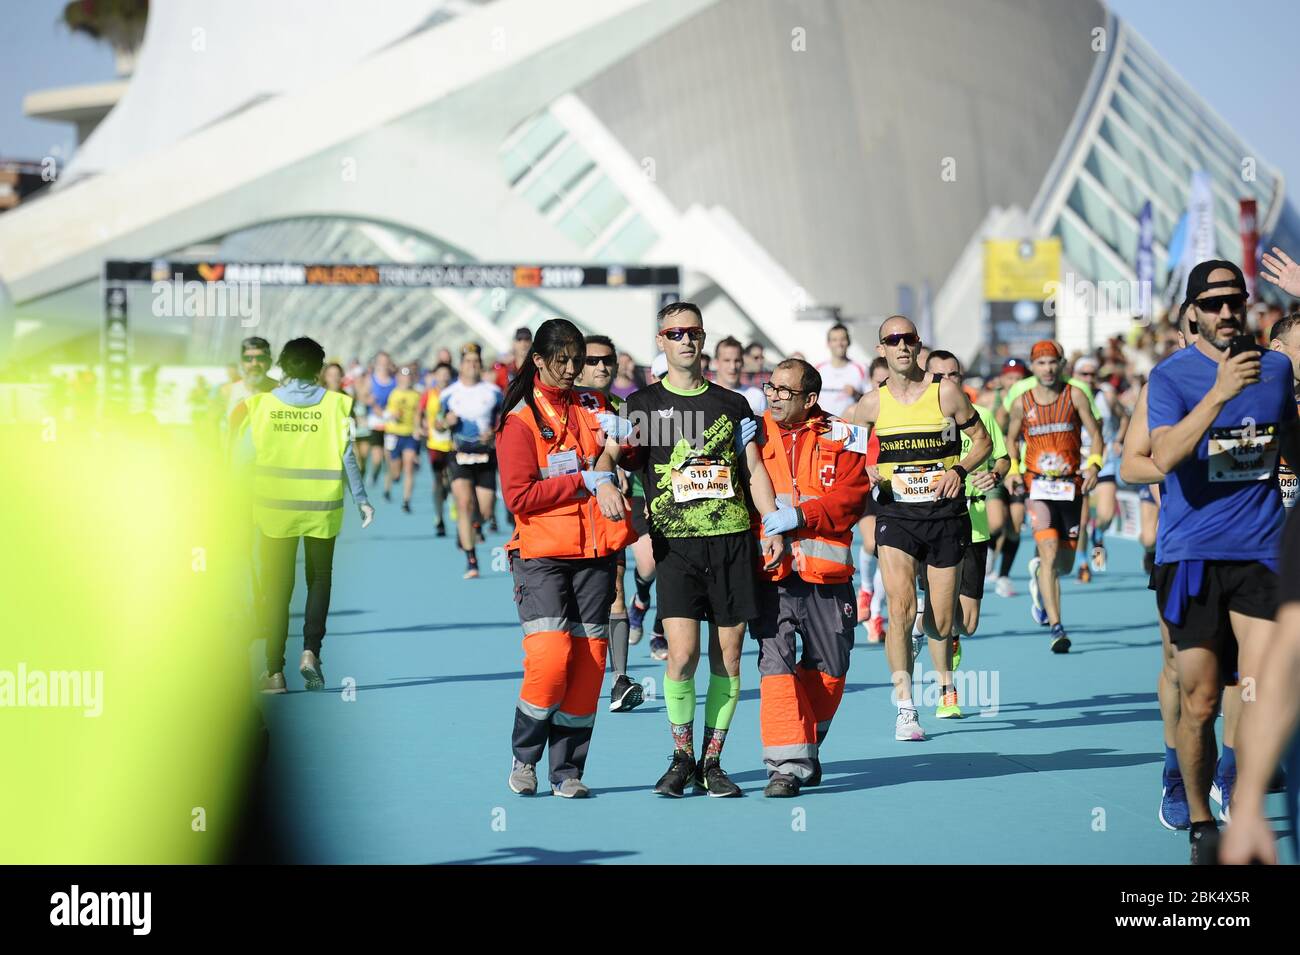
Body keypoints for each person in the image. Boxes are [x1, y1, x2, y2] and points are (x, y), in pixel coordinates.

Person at [1147, 259, 1300, 864]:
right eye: (1212, 304)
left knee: (1262, 687)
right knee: (1201, 700)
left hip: (1263, 552)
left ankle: (1245, 794)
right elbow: (1161, 455)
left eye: (1235, 300)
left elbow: (1290, 440)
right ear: (1193, 313)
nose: (1226, 312)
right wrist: (1218, 395)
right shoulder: (1172, 376)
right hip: (1192, 555)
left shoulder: (1279, 367)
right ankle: (1199, 817)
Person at [614, 301, 783, 796]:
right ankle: (681, 756)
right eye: (675, 332)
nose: (686, 340)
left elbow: (753, 469)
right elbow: (613, 457)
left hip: (731, 540)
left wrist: (771, 526)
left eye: (694, 332)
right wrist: (607, 482)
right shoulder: (640, 404)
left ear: (703, 339)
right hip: (677, 545)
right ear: (662, 341)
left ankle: (713, 762)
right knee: (681, 656)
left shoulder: (732, 405)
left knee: (727, 657)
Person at [497, 319, 634, 798]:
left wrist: (624, 442)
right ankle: (525, 757)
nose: (574, 368)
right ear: (538, 360)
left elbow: (624, 452)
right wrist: (584, 479)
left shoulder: (593, 407)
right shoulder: (519, 421)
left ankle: (568, 771)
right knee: (551, 660)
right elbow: (519, 497)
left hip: (596, 554)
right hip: (542, 557)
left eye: (580, 359)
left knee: (589, 663)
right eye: (564, 360)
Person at [844, 316, 991, 736]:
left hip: (945, 515)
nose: (902, 346)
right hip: (897, 516)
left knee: (943, 622)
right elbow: (850, 455)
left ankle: (927, 643)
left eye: (908, 339)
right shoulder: (871, 404)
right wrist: (867, 470)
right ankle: (906, 708)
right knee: (900, 608)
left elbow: (982, 441)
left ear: (919, 344)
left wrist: (960, 471)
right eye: (893, 340)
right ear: (881, 349)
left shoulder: (945, 392)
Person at [752, 359, 869, 796]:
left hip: (827, 574)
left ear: (811, 398)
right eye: (772, 387)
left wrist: (800, 515)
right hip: (772, 573)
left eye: (786, 390)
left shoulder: (846, 435)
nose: (776, 396)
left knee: (832, 669)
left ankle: (807, 743)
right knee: (775, 666)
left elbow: (852, 498)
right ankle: (785, 766)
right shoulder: (753, 432)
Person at [236, 337, 374, 694]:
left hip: (273, 509)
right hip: (322, 507)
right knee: (320, 579)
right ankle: (311, 652)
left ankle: (274, 671)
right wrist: (362, 500)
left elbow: (240, 461)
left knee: (277, 589)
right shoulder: (337, 405)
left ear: (282, 366)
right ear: (318, 369)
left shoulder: (261, 407)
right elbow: (348, 459)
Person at [1005, 340, 1102, 652]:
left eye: (1052, 362)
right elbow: (1010, 439)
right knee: (1047, 551)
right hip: (1038, 487)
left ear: (1062, 364)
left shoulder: (1075, 395)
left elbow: (1096, 435)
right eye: (1041, 363)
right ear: (1033, 367)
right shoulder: (1022, 401)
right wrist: (1013, 471)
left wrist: (1094, 465)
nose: (1047, 369)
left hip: (1070, 486)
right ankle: (1057, 627)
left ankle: (1039, 575)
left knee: (1065, 564)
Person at [922, 351, 1008, 665]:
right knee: (935, 608)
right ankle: (946, 687)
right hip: (934, 521)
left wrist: (996, 474)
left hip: (975, 522)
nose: (948, 381)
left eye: (954, 375)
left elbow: (1003, 457)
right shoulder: (921, 417)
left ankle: (949, 633)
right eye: (940, 375)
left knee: (968, 624)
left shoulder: (981, 415)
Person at [575, 334, 643, 713]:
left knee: (616, 584)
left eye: (608, 361)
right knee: (576, 598)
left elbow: (643, 455)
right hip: (568, 512)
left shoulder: (626, 407)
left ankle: (619, 678)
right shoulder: (563, 404)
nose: (602, 367)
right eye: (593, 361)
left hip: (612, 511)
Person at [438, 344, 504, 578]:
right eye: (468, 361)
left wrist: (494, 433)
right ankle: (471, 560)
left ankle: (473, 528)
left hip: (485, 456)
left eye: (476, 361)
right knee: (464, 504)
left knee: (485, 512)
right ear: (461, 364)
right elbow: (437, 424)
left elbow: (504, 422)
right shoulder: (448, 393)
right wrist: (446, 421)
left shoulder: (493, 392)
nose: (472, 365)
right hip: (459, 455)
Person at [1071, 355, 1129, 581]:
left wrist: (1119, 440)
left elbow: (1124, 418)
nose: (1088, 378)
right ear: (1074, 375)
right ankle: (1083, 563)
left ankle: (1099, 533)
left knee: (1105, 515)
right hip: (1079, 465)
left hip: (1104, 461)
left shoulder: (1107, 397)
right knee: (1082, 520)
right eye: (1083, 374)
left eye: (1092, 374)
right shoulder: (1069, 397)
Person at [989, 357, 1030, 597]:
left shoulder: (1031, 400)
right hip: (995, 468)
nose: (1014, 382)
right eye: (1010, 377)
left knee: (1015, 525)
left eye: (1019, 378)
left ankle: (1004, 576)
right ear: (1002, 378)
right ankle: (989, 550)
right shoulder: (992, 400)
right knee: (995, 522)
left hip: (1020, 469)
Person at [855, 358, 889, 640]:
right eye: (878, 381)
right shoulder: (857, 411)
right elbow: (845, 449)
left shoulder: (902, 410)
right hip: (865, 486)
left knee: (888, 553)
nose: (882, 386)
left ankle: (876, 614)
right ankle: (865, 588)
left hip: (894, 487)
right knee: (872, 543)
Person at [416, 362, 455, 536]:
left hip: (453, 443)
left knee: (452, 479)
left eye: (446, 374)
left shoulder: (456, 392)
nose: (443, 377)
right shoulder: (429, 394)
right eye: (440, 374)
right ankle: (439, 518)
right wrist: (418, 427)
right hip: (435, 444)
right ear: (435, 376)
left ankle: (452, 498)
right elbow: (419, 412)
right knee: (438, 480)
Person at [220, 337, 279, 445]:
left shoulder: (281, 392)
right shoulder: (228, 391)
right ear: (242, 363)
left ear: (269, 362)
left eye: (260, 358)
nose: (254, 364)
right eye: (248, 359)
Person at [382, 365, 421, 512]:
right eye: (403, 376)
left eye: (408, 376)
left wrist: (418, 428)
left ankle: (406, 501)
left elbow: (419, 413)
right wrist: (392, 415)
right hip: (394, 434)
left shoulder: (416, 395)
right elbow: (387, 411)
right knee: (395, 470)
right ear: (398, 378)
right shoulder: (393, 393)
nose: (406, 379)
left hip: (410, 434)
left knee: (409, 467)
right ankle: (391, 482)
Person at [815, 323, 868, 419]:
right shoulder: (818, 369)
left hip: (849, 427)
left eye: (843, 339)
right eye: (834, 340)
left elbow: (870, 400)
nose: (839, 344)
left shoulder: (861, 369)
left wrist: (856, 394)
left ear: (849, 342)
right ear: (828, 343)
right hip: (821, 427)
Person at [360, 352, 397, 486]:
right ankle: (374, 474)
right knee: (377, 456)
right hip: (375, 421)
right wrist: (370, 402)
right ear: (376, 363)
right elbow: (362, 396)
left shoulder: (394, 380)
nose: (383, 365)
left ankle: (387, 485)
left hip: (391, 422)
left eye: (386, 361)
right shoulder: (371, 379)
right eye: (381, 361)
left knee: (389, 456)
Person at [712, 336, 767, 414]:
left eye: (737, 361)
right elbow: (693, 425)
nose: (733, 367)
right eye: (727, 360)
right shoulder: (703, 393)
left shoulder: (757, 396)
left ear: (742, 362)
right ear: (716, 362)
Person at [495, 327, 533, 392]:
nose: (523, 344)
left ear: (532, 343)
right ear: (513, 343)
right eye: (519, 339)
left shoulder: (538, 366)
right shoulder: (504, 369)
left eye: (527, 339)